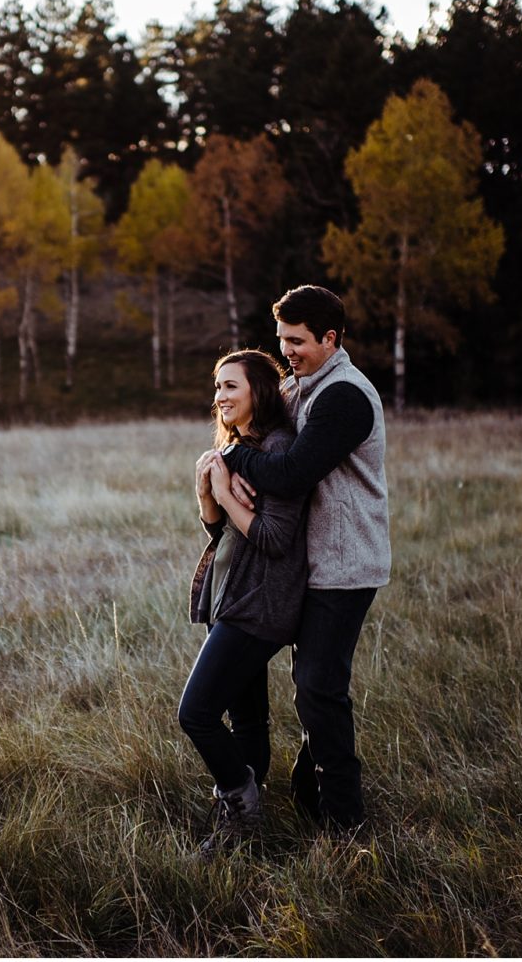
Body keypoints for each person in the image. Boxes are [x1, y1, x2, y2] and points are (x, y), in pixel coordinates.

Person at [214, 284, 389, 835]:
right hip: (304, 563)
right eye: (281, 339)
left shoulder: (344, 396)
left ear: (330, 339)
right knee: (307, 682)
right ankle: (306, 790)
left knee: (319, 686)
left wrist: (230, 455)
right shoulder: (302, 388)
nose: (286, 351)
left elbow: (289, 474)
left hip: (345, 565)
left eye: (297, 341)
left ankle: (345, 823)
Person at [178, 349, 309, 859]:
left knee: (197, 713)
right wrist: (206, 493)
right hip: (233, 598)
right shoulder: (240, 446)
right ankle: (249, 828)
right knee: (248, 720)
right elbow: (223, 529)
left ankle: (239, 804)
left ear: (259, 390)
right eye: (217, 387)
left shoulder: (278, 450)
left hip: (261, 605)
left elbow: (275, 537)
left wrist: (226, 492)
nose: (219, 397)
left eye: (231, 386)